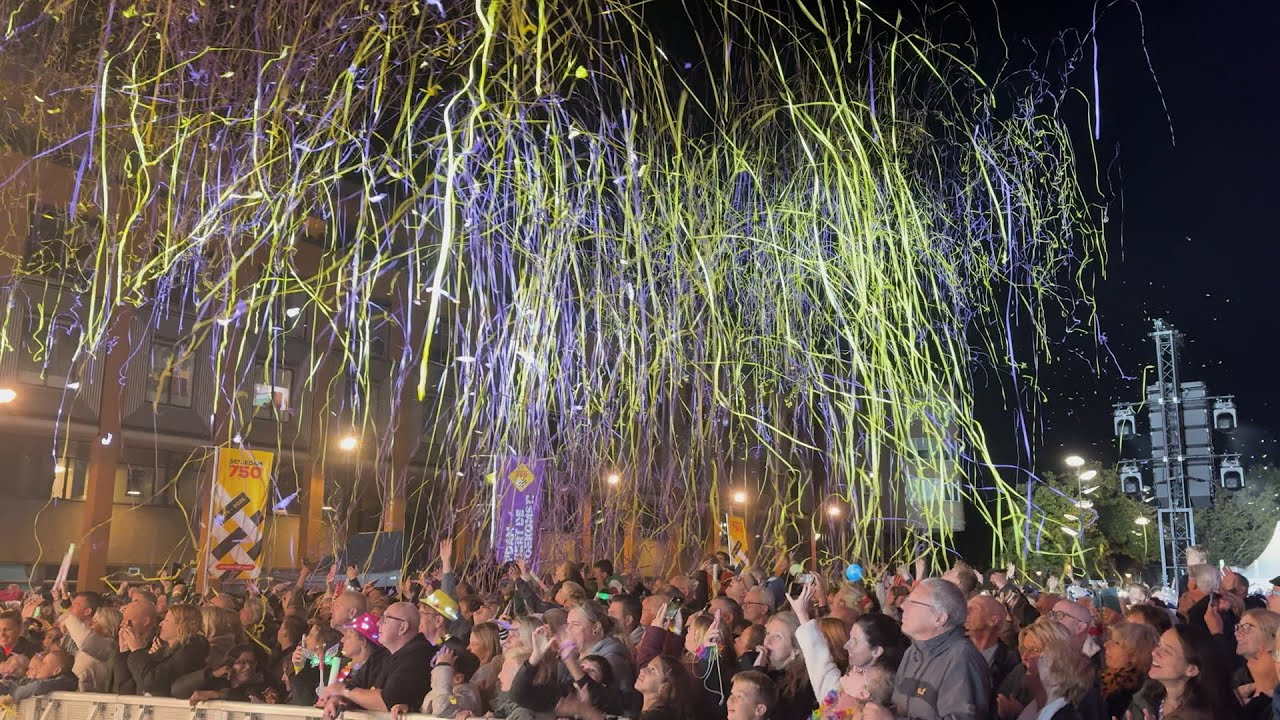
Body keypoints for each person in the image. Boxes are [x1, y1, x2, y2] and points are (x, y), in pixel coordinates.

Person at [893, 578, 990, 720]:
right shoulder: (912, 652)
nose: (903, 606)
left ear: (940, 618)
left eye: (913, 602)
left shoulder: (961, 659)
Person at [321, 602, 433, 716]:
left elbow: (387, 701)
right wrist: (336, 699)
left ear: (403, 627)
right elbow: (355, 685)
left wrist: (343, 691)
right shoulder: (382, 654)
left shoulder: (419, 655)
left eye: (385, 619)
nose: (379, 623)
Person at [1128, 625, 1237, 720]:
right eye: (1158, 645)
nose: (1154, 652)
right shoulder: (1147, 695)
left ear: (1191, 670)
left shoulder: (1201, 715)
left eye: (1167, 651)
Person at [123, 604, 211, 698]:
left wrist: (137, 650)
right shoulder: (163, 650)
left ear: (182, 625)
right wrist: (123, 652)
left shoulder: (191, 650)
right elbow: (125, 688)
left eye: (167, 620)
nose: (161, 623)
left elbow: (152, 682)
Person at [756, 611, 817, 719]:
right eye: (768, 633)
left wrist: (757, 672)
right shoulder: (767, 672)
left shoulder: (801, 687)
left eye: (778, 637)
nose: (767, 641)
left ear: (796, 649)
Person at [1100, 621, 1158, 719]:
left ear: (1136, 654)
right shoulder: (1110, 678)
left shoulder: (1125, 693)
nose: (1106, 644)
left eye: (1116, 642)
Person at [1232, 608, 1280, 719]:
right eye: (1238, 627)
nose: (1237, 633)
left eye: (1247, 627)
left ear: (1272, 635)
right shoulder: (1240, 677)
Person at [1034, 643, 1093, 720]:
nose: (1040, 656)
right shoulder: (1050, 709)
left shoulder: (1065, 716)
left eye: (1044, 659)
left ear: (1058, 678)